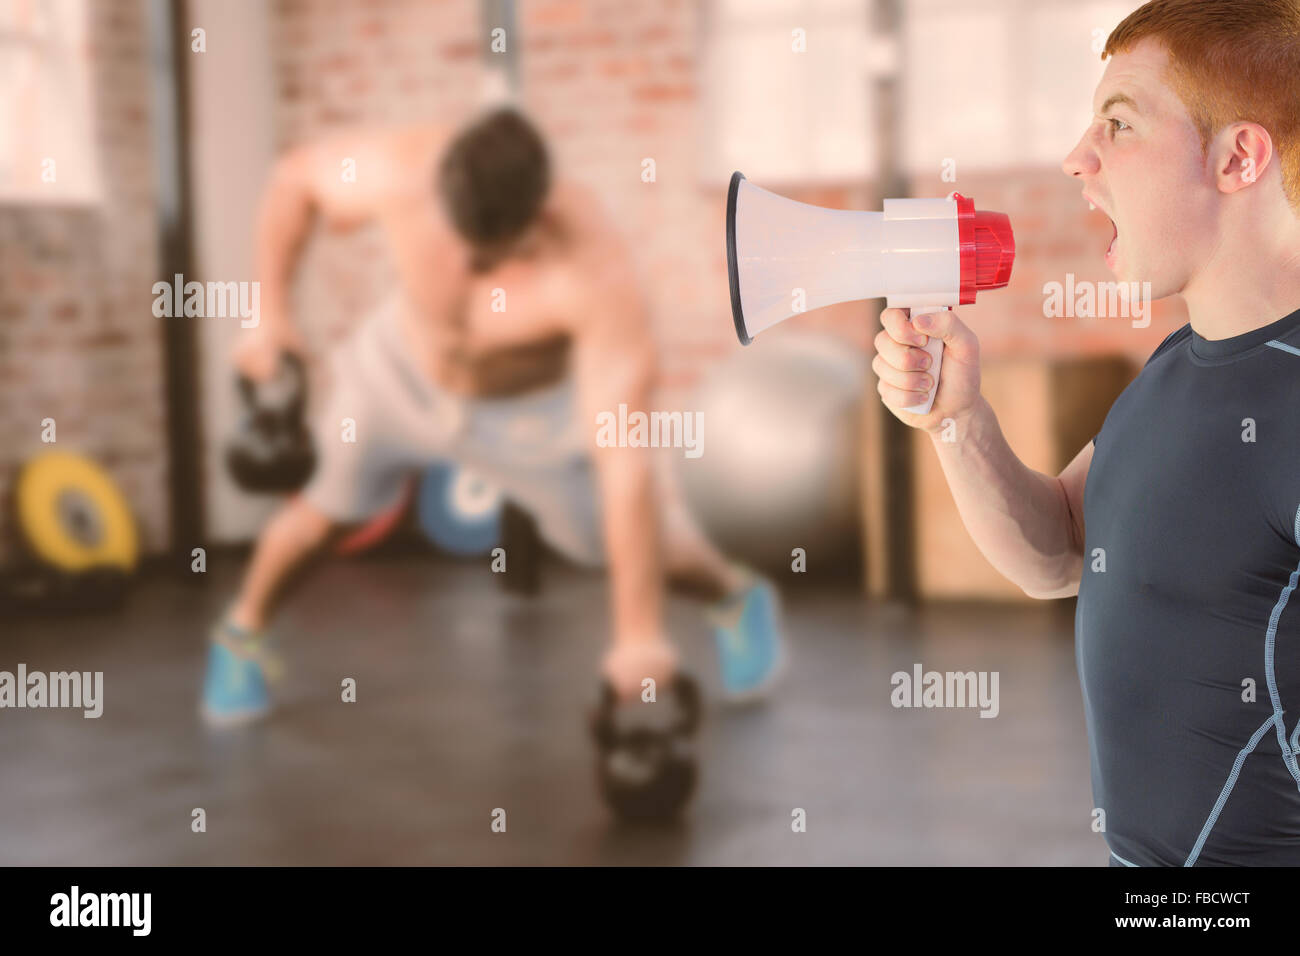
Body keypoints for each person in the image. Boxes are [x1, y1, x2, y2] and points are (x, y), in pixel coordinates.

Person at [873, 0, 1300, 865]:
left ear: (1237, 158)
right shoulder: (1176, 368)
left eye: (1119, 123)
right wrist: (959, 420)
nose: (1078, 158)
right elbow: (1060, 552)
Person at [203, 107, 785, 726]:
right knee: (321, 516)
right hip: (397, 373)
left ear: (535, 219)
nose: (465, 267)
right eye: (456, 241)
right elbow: (294, 180)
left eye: (487, 257)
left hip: (528, 416)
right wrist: (269, 316)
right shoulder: (404, 170)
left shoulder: (595, 273)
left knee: (618, 542)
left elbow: (623, 461)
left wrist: (637, 637)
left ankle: (734, 596)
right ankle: (240, 638)